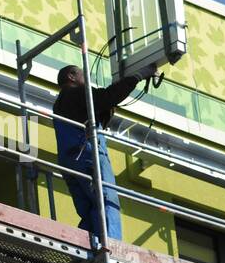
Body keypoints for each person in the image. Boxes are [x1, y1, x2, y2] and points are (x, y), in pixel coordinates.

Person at [53, 62, 154, 243]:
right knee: (106, 200)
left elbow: (94, 114)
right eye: (83, 75)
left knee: (88, 208)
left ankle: (87, 247)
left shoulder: (60, 103)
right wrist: (138, 76)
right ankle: (111, 247)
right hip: (87, 156)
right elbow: (107, 97)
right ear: (72, 76)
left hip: (69, 161)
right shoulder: (76, 93)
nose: (87, 79)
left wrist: (107, 108)